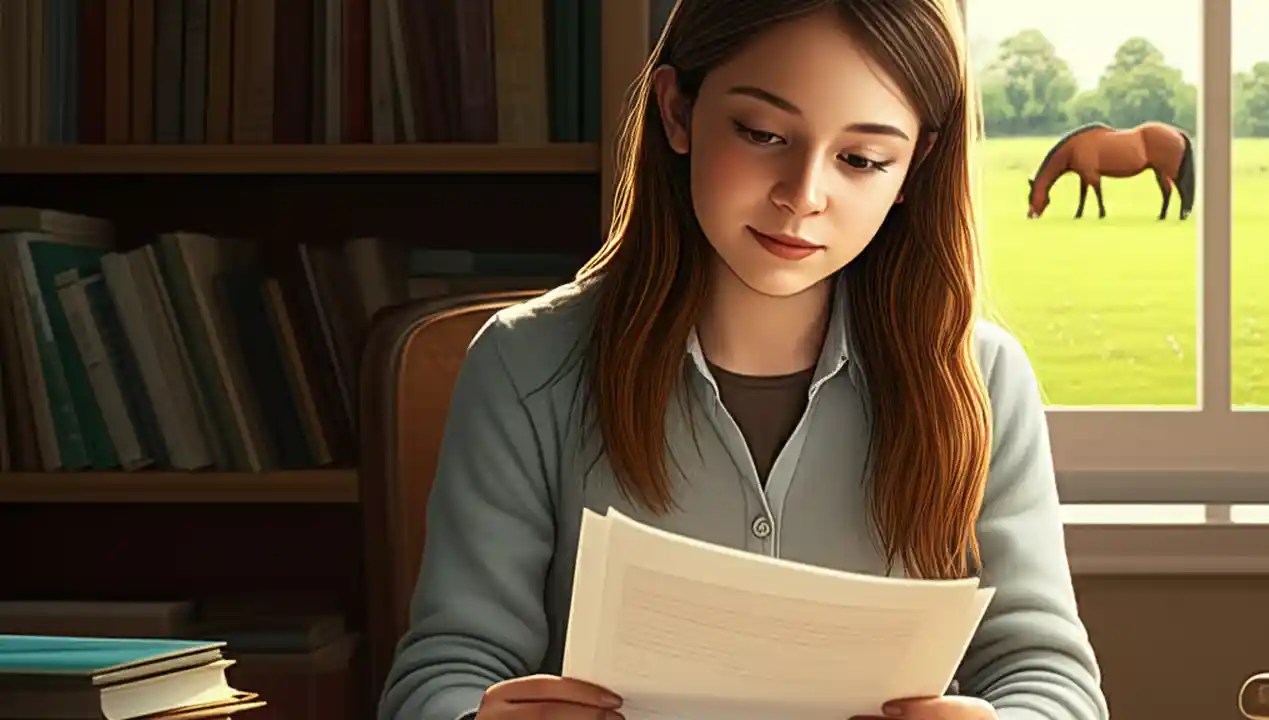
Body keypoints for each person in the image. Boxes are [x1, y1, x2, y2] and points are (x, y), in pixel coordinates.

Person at [379, 0, 1110, 719]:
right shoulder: (524, 366)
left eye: (862, 159)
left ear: (913, 169)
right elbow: (437, 678)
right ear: (676, 111)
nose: (803, 196)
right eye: (762, 134)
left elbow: (1048, 676)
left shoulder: (982, 379)